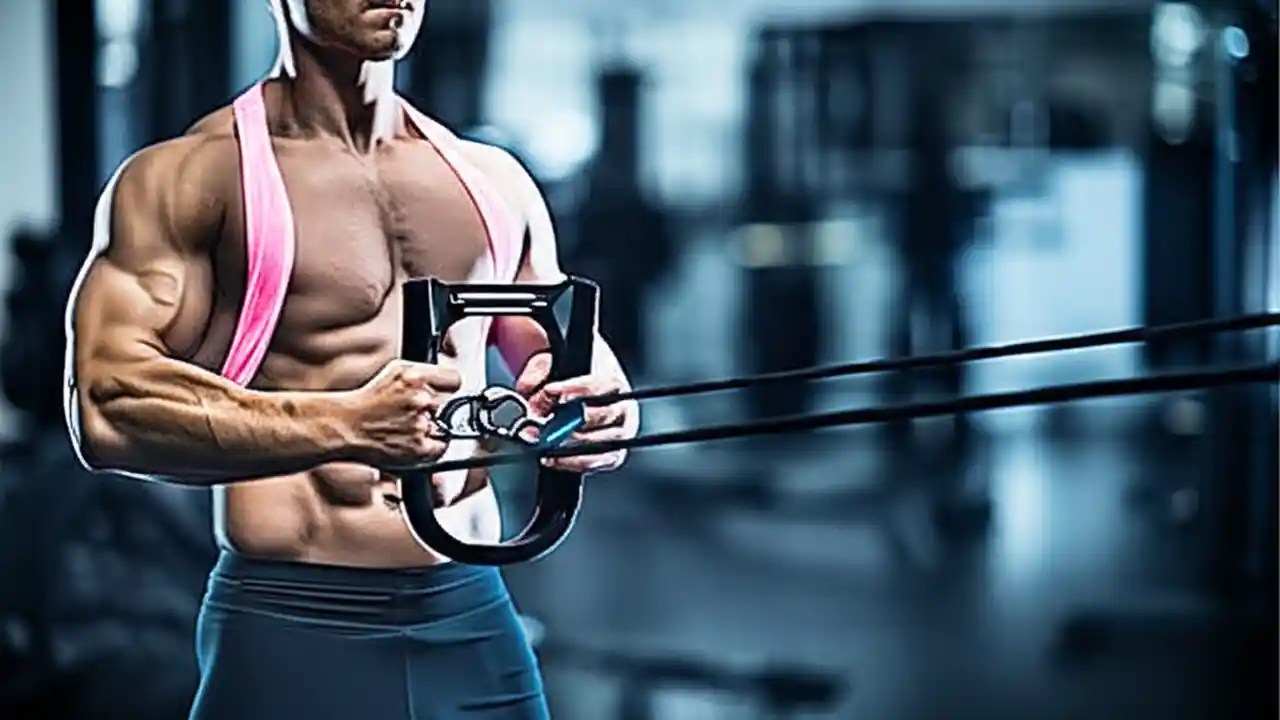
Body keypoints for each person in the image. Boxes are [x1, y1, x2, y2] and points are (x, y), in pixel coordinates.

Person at [61, 1, 640, 718]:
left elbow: (568, 362)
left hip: (468, 610)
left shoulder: (493, 182)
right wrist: (348, 424)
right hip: (292, 617)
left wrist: (604, 413)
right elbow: (107, 406)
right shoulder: (191, 178)